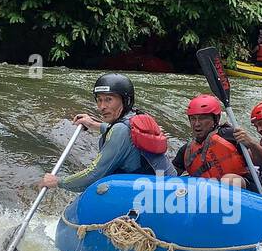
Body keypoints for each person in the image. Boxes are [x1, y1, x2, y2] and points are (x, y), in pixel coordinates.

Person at [40, 73, 173, 192]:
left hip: (155, 193)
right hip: (168, 184)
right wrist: (93, 124)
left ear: (125, 100)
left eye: (109, 99)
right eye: (99, 100)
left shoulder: (120, 130)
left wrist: (58, 182)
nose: (102, 106)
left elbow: (94, 174)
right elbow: (120, 132)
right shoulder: (135, 116)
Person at [170, 94, 257, 191]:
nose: (197, 124)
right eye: (193, 118)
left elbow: (261, 163)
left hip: (245, 190)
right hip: (208, 194)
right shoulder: (186, 151)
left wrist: (252, 144)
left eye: (202, 118)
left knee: (229, 180)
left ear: (216, 119)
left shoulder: (231, 135)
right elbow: (169, 177)